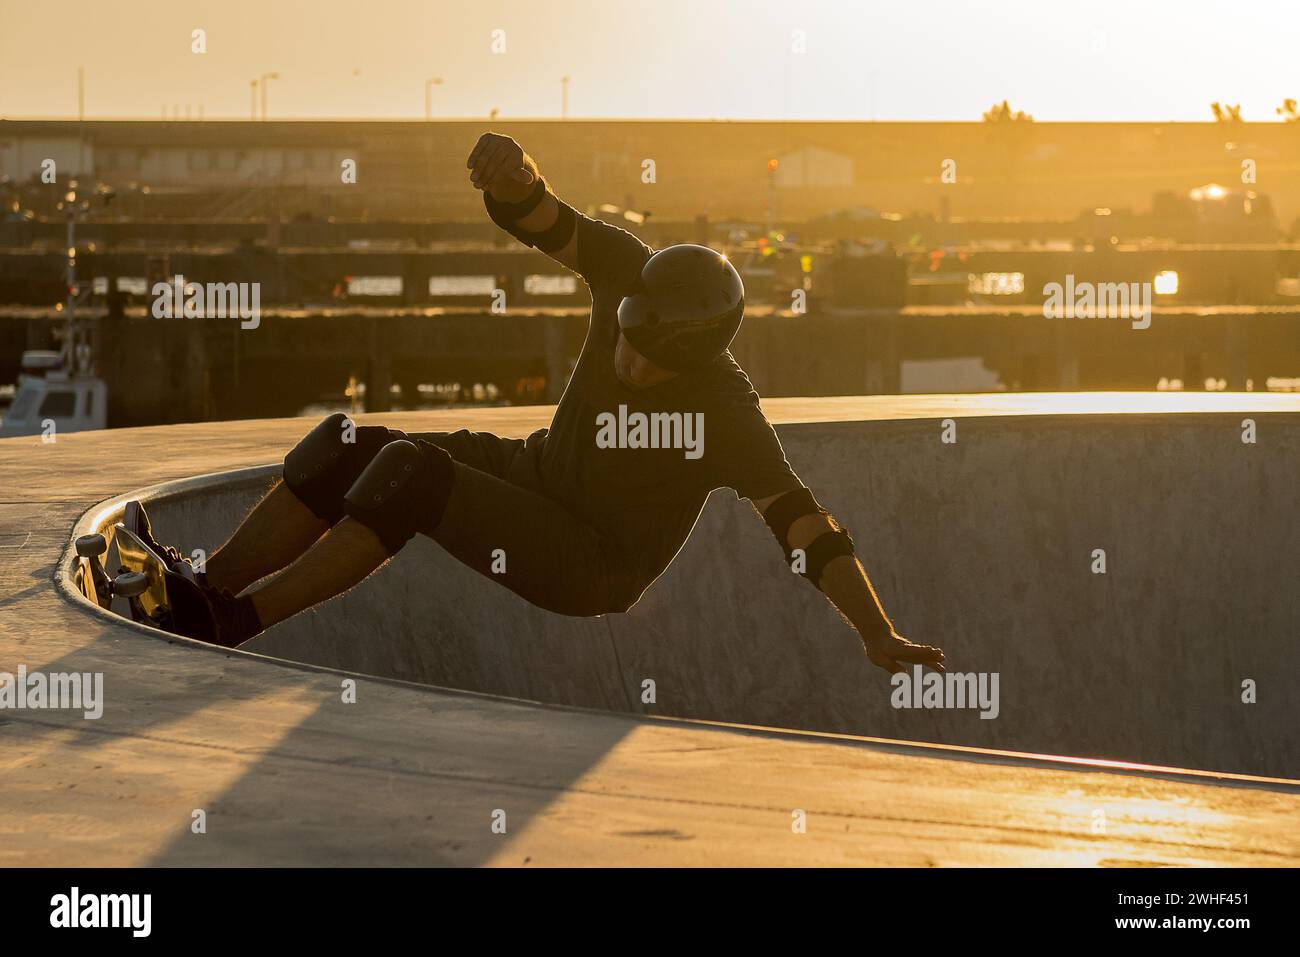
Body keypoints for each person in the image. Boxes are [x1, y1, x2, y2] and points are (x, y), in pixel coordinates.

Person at [141, 132, 944, 677]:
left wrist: (878, 634)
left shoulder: (729, 415)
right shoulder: (627, 267)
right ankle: (208, 581)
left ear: (697, 361)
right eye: (623, 336)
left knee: (411, 477)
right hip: (535, 472)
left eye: (650, 363)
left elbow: (806, 526)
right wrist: (514, 175)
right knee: (345, 443)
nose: (625, 360)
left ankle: (236, 622)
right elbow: (545, 218)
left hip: (589, 559)